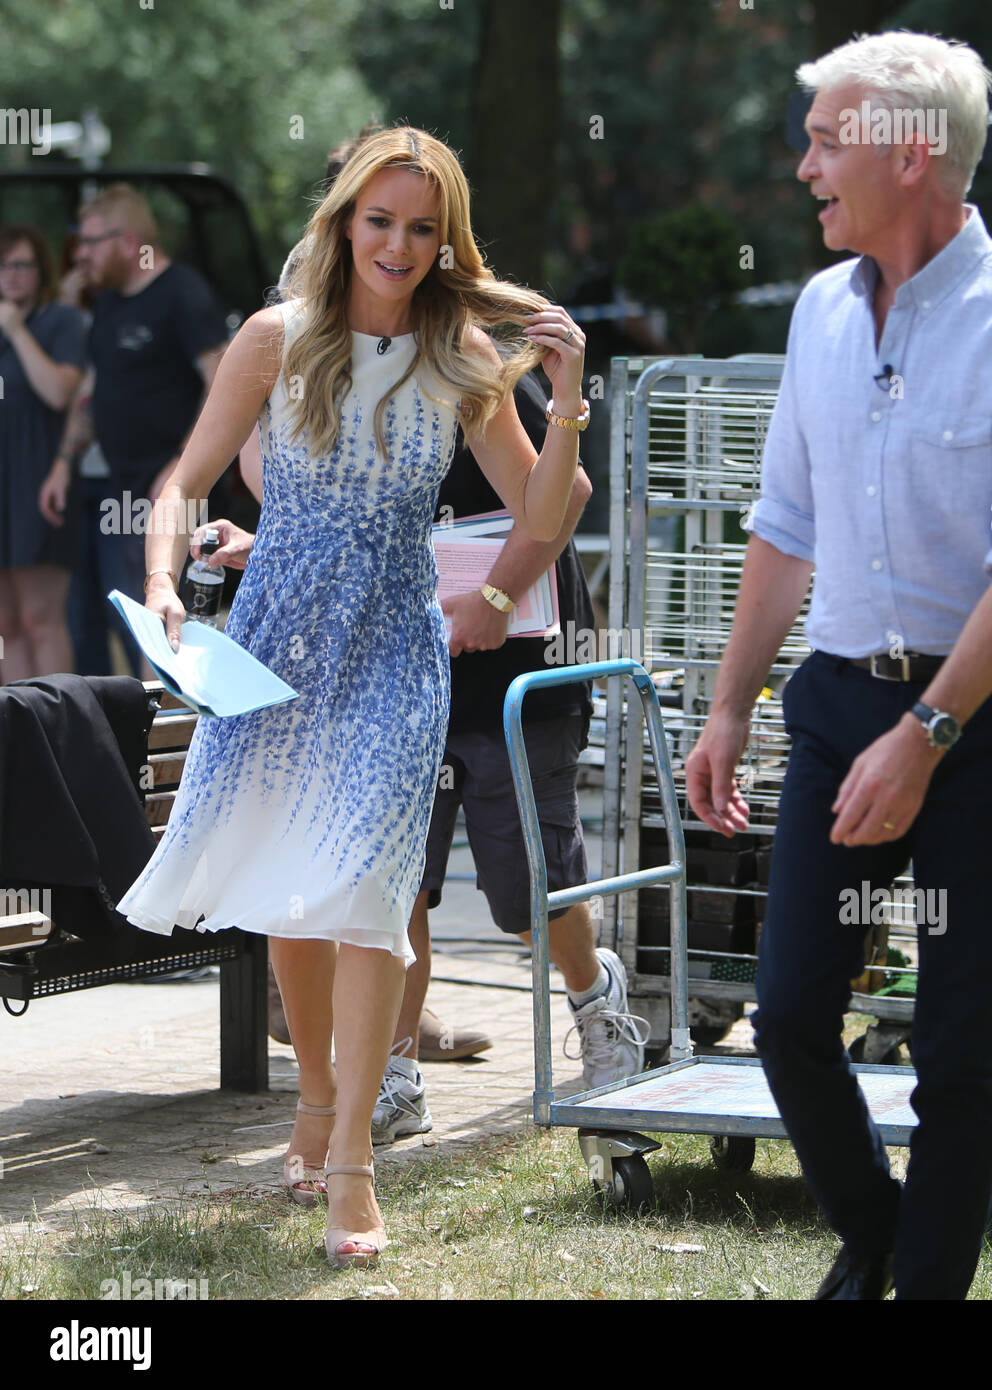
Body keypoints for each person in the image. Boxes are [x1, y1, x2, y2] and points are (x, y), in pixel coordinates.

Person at [116, 126, 588, 1267]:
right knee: (293, 880)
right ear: (343, 224)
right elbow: (183, 478)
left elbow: (545, 512)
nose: (399, 244)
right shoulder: (277, 338)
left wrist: (566, 392)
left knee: (374, 890)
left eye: (423, 228)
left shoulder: (461, 353)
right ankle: (321, 1097)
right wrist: (163, 577)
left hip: (394, 643)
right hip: (277, 636)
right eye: (379, 221)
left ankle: (352, 1170)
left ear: (445, 240)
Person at [685, 32, 992, 1300]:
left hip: (983, 719)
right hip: (833, 703)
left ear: (909, 154)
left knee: (953, 1043)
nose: (805, 162)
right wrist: (725, 707)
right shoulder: (820, 308)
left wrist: (924, 733)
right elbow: (784, 525)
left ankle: (919, 1286)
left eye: (826, 139)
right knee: (794, 1015)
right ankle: (878, 1236)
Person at [210, 369, 644, 1144]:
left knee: (525, 891)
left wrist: (498, 598)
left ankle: (596, 999)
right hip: (399, 667)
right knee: (394, 880)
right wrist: (261, 548)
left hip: (516, 660)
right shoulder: (316, 373)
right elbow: (324, 517)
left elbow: (564, 494)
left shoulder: (465, 358)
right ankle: (394, 1076)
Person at [57, 184, 227, 678]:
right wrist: (61, 463)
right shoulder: (108, 303)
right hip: (119, 491)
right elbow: (93, 388)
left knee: (170, 626)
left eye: (90, 241)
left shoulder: (183, 293)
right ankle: (135, 745)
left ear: (129, 241)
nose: (80, 253)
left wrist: (181, 467)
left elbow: (222, 387)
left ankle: (173, 746)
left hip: (173, 491)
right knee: (129, 624)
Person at [0, 224, 88, 683]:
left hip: (40, 482)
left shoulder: (60, 321)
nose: (11, 277)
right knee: (6, 625)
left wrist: (16, 332)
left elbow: (58, 392)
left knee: (40, 618)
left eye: (22, 265)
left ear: (41, 271)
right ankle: (18, 737)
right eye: (3, 266)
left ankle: (57, 729)